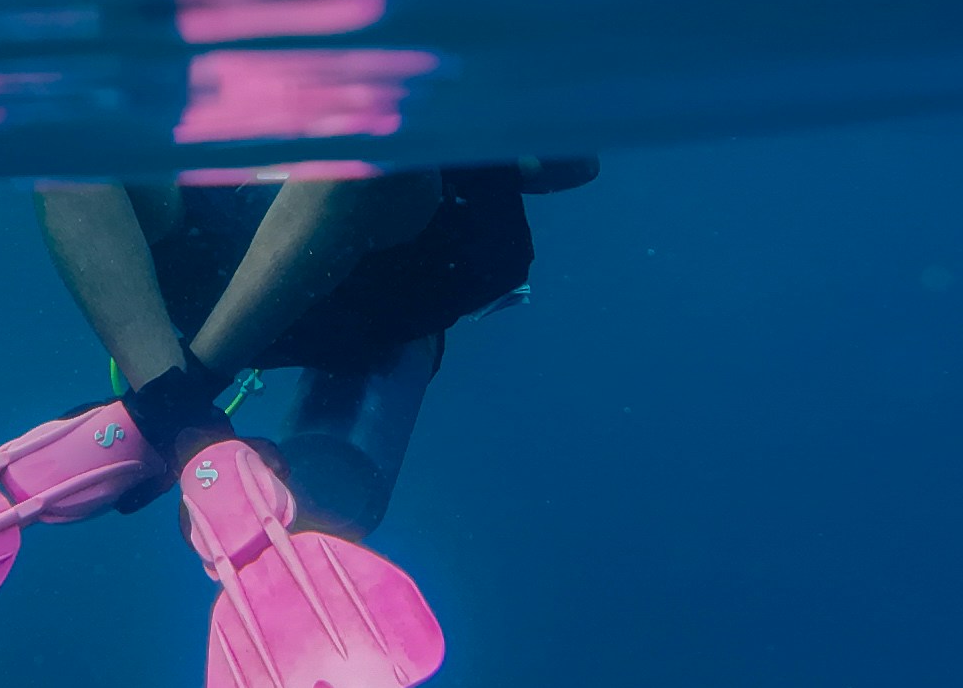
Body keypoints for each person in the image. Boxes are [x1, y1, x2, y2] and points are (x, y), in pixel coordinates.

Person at [32, 158, 596, 536]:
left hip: (384, 288)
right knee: (74, 152)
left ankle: (167, 408)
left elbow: (568, 162)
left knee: (370, 149)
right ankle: (175, 408)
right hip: (260, 274)